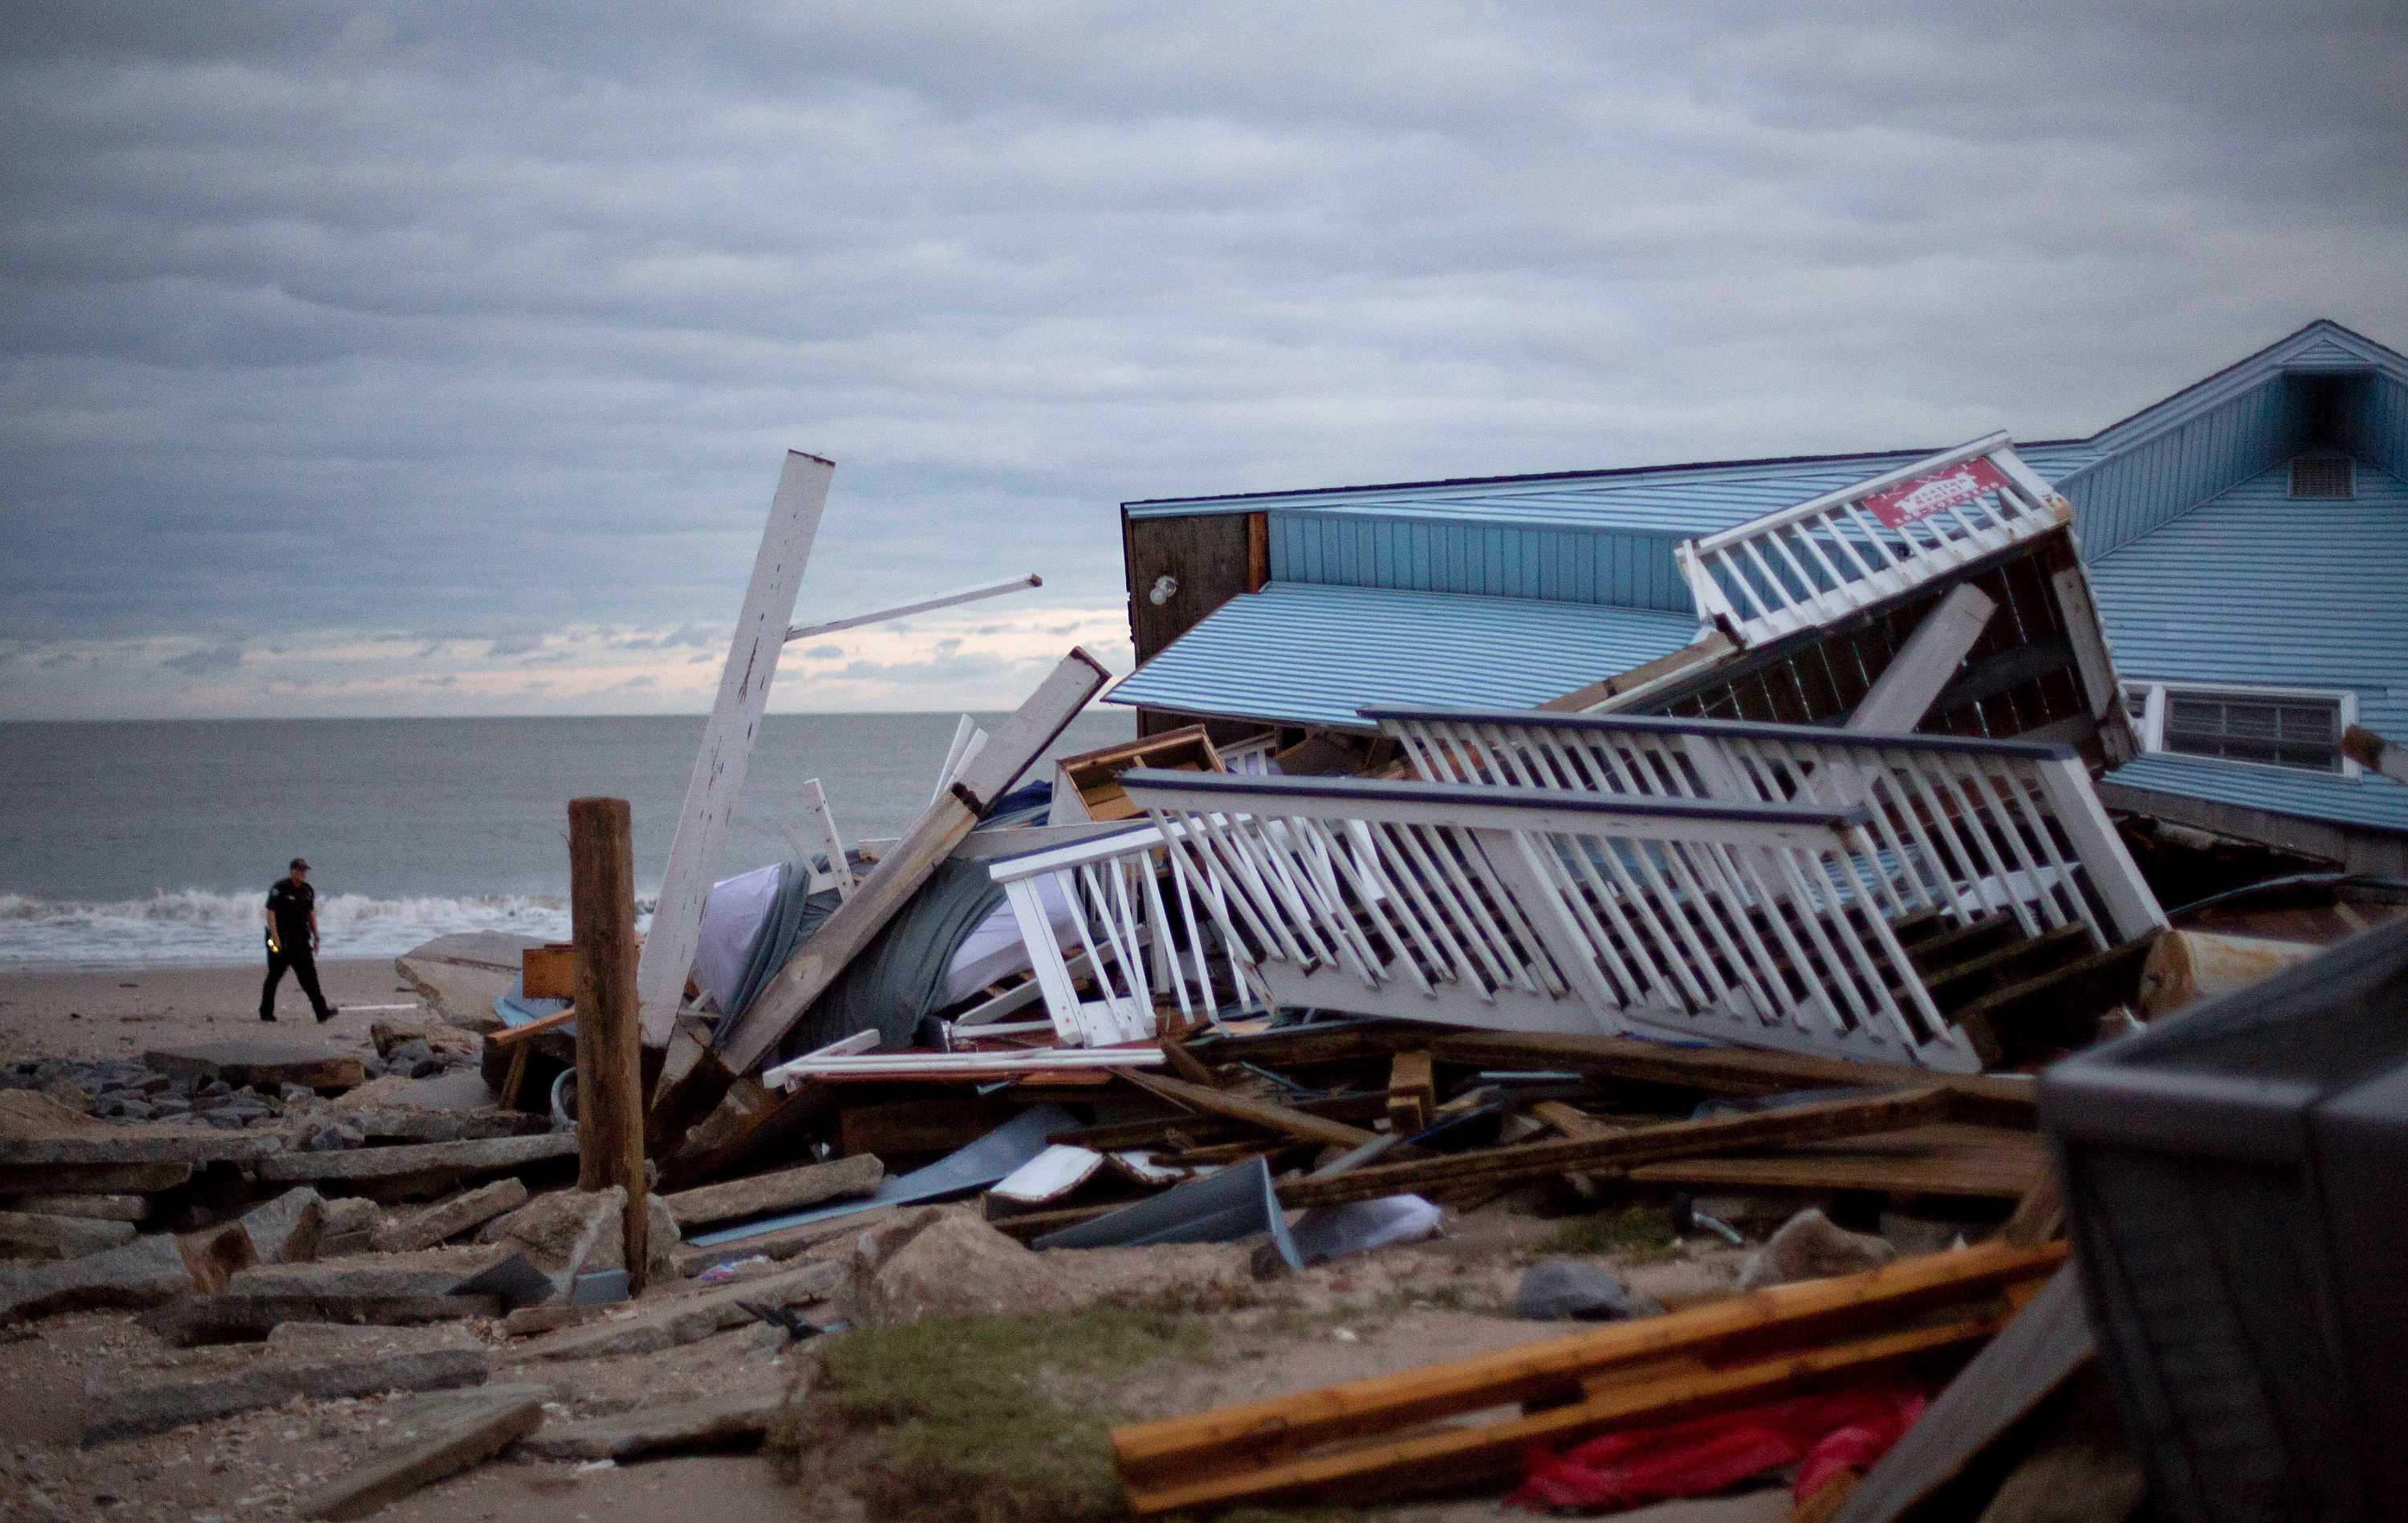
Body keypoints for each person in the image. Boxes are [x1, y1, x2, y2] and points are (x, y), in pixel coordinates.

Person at [260, 857, 337, 1023]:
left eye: (304, 870)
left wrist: (317, 936)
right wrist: (275, 937)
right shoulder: (279, 889)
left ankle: (321, 1012)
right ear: (292, 871)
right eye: (299, 870)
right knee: (274, 975)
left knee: (309, 977)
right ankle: (266, 1012)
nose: (302, 873)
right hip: (275, 941)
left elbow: (311, 914)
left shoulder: (307, 890)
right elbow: (270, 913)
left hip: (300, 941)